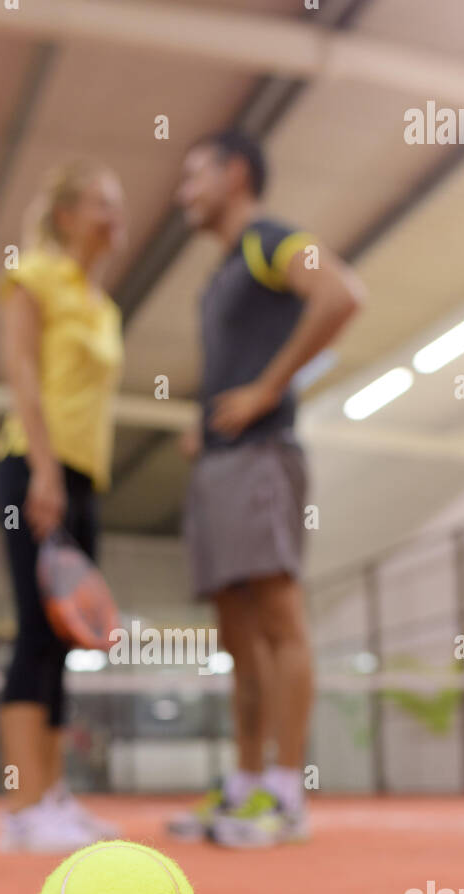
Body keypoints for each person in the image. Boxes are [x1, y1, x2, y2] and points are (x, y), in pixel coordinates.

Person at [170, 130, 366, 848]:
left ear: (236, 173)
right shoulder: (219, 274)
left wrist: (266, 389)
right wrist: (208, 423)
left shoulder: (270, 240)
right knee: (236, 634)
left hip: (260, 457)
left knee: (278, 616)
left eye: (195, 175)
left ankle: (287, 792)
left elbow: (343, 294)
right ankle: (247, 785)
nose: (182, 191)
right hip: (221, 460)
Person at [0, 159, 125, 852]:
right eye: (103, 201)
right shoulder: (35, 274)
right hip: (31, 466)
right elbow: (21, 371)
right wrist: (42, 470)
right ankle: (20, 809)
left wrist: (72, 481)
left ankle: (51, 796)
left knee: (67, 640)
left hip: (84, 479)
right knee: (32, 631)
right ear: (67, 214)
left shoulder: (104, 307)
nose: (116, 214)